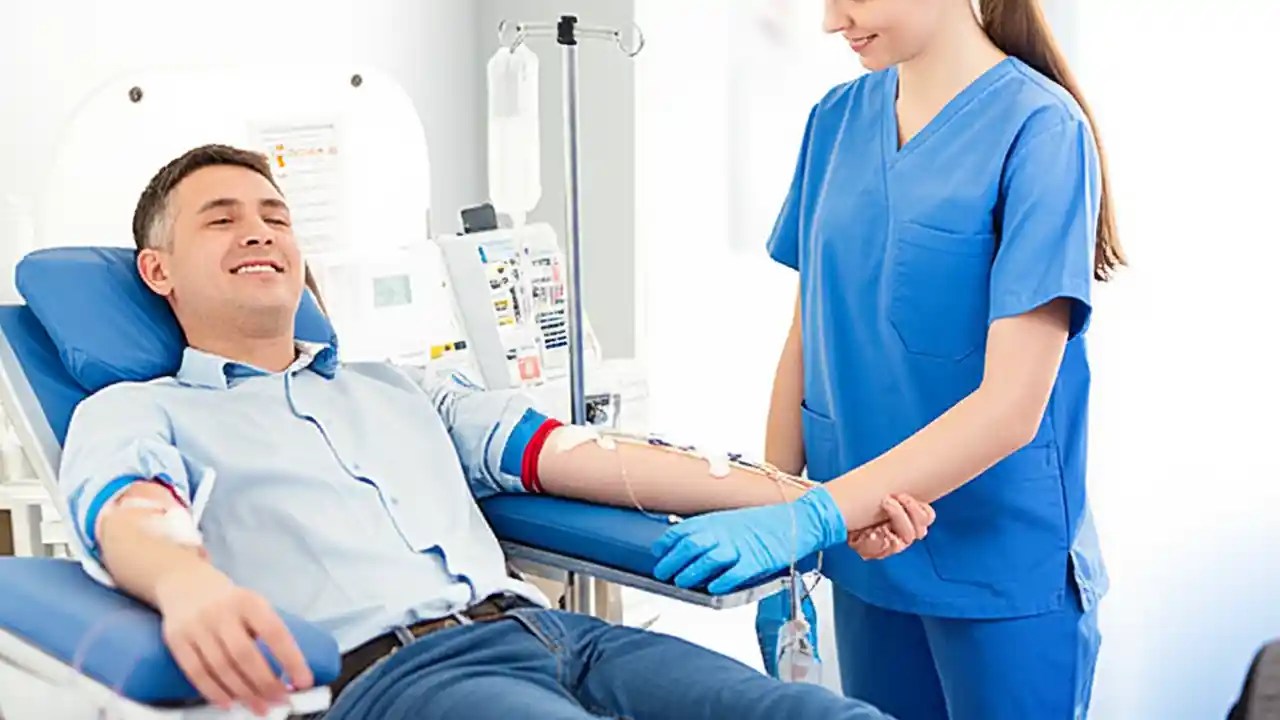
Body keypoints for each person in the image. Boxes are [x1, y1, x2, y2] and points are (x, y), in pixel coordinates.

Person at [57, 144, 935, 720]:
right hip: (400, 679)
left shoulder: (401, 389)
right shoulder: (139, 410)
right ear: (158, 271)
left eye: (274, 217)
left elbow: (586, 459)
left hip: (560, 638)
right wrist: (188, 585)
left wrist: (817, 505)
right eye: (222, 219)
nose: (258, 231)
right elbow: (132, 510)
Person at [651, 0, 1122, 718]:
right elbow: (807, 338)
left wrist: (813, 517)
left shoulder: (1041, 130)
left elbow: (1012, 406)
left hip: (996, 568)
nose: (832, 21)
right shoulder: (836, 121)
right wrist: (779, 512)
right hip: (866, 553)